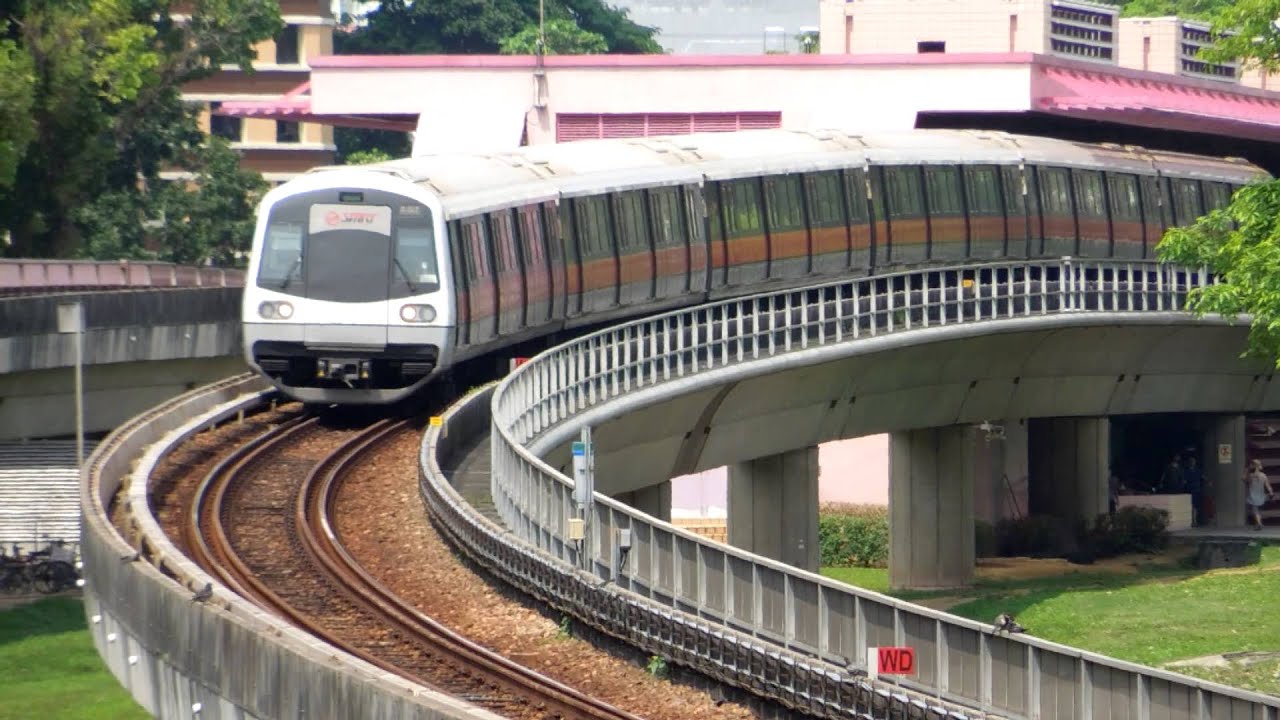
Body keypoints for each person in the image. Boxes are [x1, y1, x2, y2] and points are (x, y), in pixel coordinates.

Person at [1243, 459, 1274, 531]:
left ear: (1253, 466)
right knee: (1257, 510)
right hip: (1261, 495)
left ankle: (1259, 523)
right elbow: (1268, 486)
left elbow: (1243, 479)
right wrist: (1271, 492)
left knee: (1255, 510)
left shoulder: (1251, 476)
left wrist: (1246, 470)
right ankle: (1258, 523)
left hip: (1253, 495)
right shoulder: (1263, 476)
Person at [1183, 456, 1204, 526]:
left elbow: (1202, 476)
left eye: (1193, 461)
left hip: (1197, 490)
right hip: (1190, 490)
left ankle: (1195, 521)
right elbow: (1184, 481)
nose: (1192, 462)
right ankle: (1193, 521)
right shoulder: (1186, 471)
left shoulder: (1197, 470)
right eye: (1191, 461)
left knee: (1196, 506)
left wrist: (1208, 481)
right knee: (1191, 506)